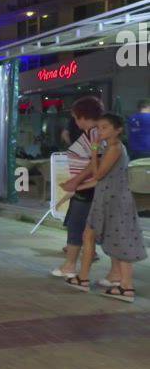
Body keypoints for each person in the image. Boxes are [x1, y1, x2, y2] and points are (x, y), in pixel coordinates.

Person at [66, 114, 147, 302]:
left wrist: (93, 152)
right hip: (107, 198)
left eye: (105, 128)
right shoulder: (111, 147)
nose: (100, 131)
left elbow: (98, 174)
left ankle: (126, 287)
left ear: (117, 130)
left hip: (115, 200)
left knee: (120, 239)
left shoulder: (115, 148)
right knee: (89, 234)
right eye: (99, 127)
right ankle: (84, 278)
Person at [54, 97, 105, 279]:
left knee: (77, 226)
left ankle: (70, 266)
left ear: (83, 117)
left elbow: (95, 160)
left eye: (76, 117)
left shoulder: (94, 133)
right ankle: (77, 267)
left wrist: (77, 182)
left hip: (87, 188)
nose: (75, 121)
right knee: (83, 229)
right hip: (85, 186)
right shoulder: (95, 132)